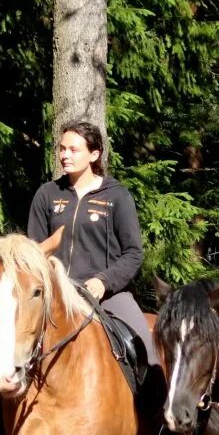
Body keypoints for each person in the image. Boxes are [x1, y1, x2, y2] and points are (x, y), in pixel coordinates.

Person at [27, 121, 158, 368]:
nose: (65, 155)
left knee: (146, 354)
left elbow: (133, 253)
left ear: (94, 154)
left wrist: (103, 281)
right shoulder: (47, 194)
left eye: (73, 150)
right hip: (56, 295)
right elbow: (35, 252)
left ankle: (154, 404)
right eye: (62, 148)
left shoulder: (117, 196)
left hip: (107, 295)